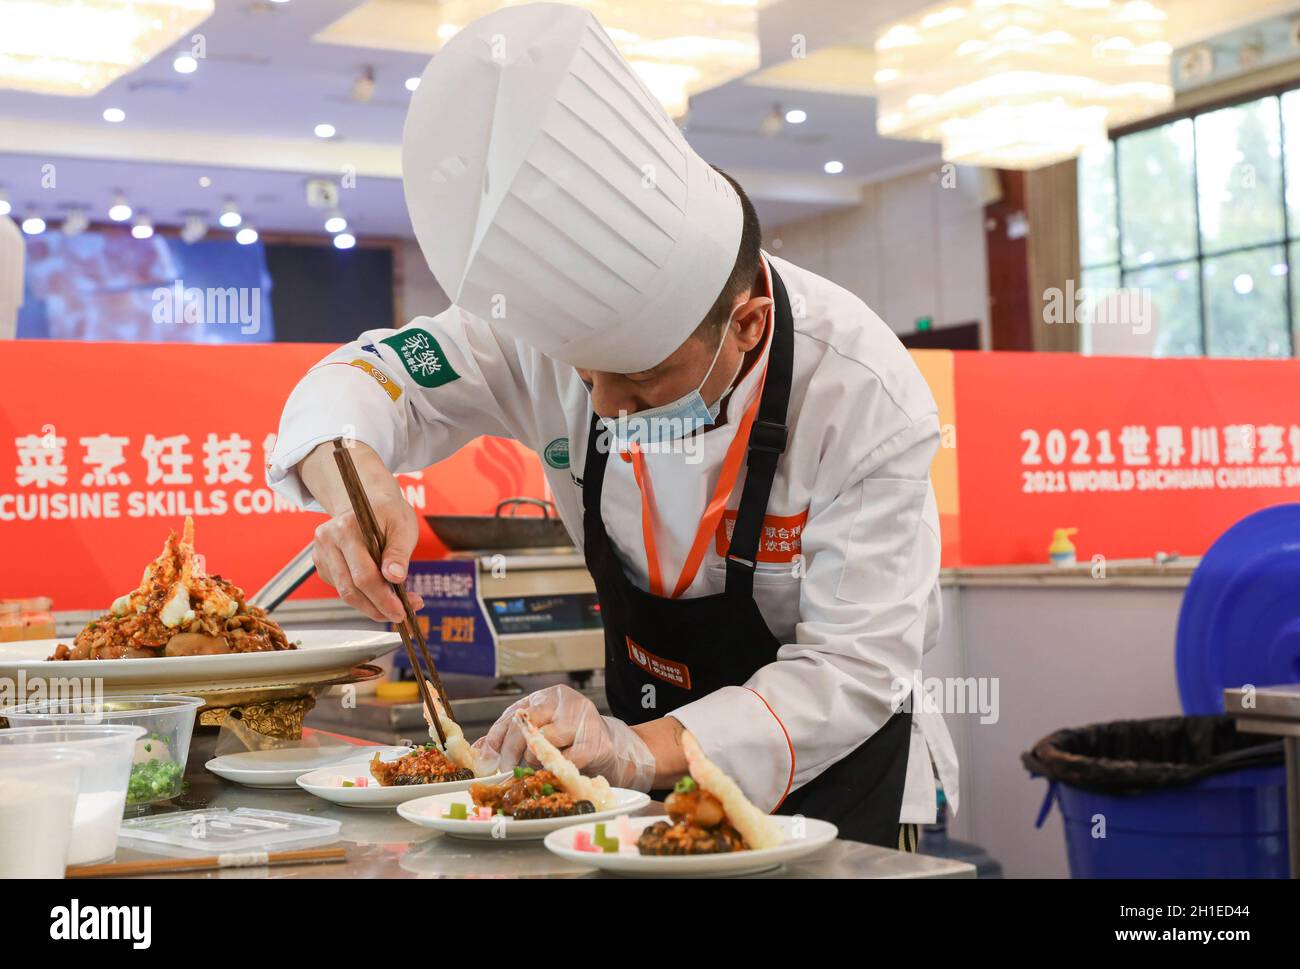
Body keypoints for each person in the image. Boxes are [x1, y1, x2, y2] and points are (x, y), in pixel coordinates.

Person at [268, 2, 957, 848]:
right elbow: (367, 377)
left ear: (744, 326)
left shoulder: (862, 393)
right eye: (586, 375)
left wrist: (634, 749)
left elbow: (852, 672)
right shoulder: (543, 331)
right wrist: (353, 477)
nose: (602, 407)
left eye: (638, 379)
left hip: (835, 784)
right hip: (642, 799)